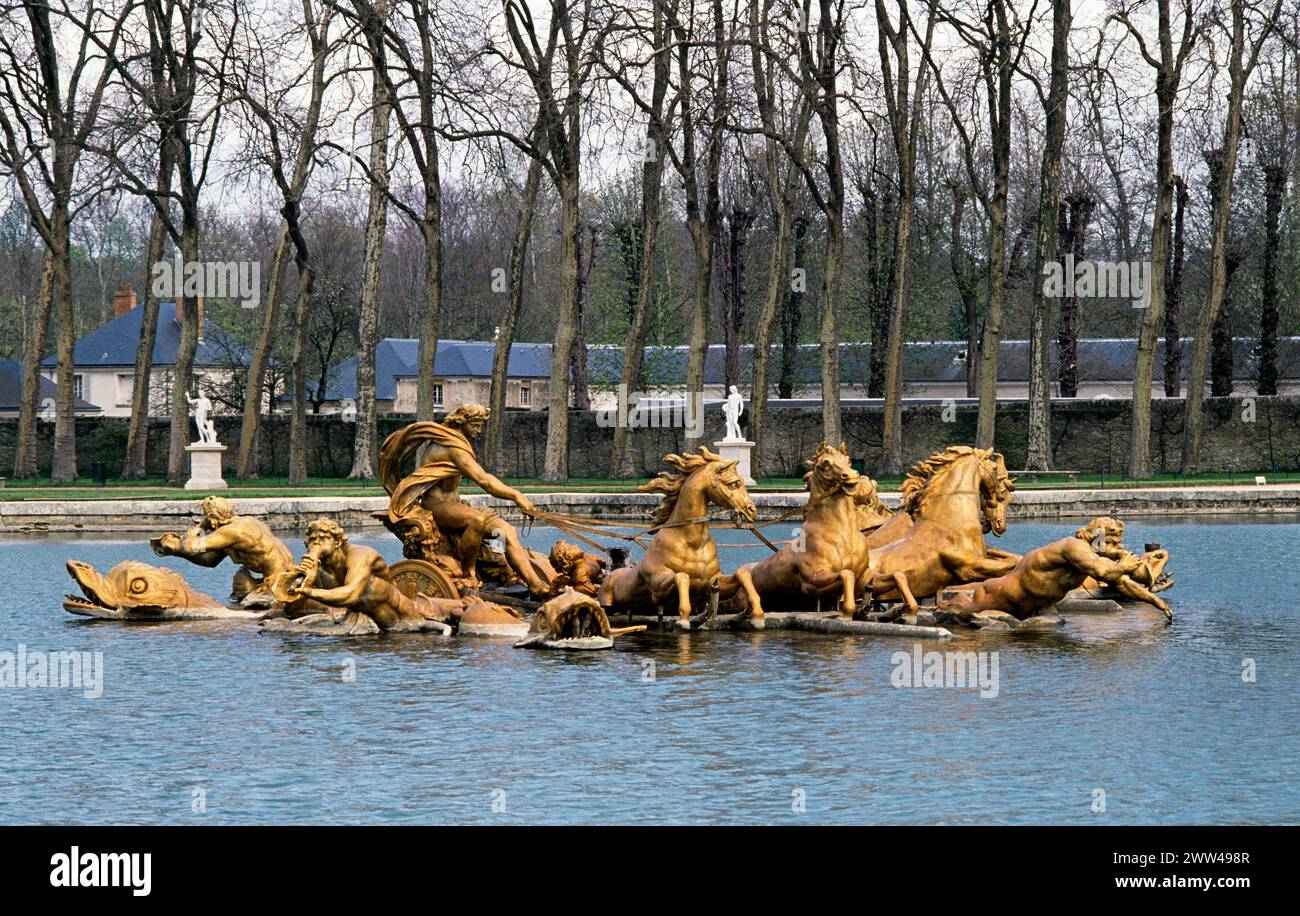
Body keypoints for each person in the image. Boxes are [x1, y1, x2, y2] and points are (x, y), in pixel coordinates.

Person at [381, 404, 552, 596]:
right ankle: (468, 572)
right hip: (436, 506)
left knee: (507, 532)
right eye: (476, 425)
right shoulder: (451, 446)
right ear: (462, 422)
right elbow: (484, 480)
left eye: (480, 426)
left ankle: (535, 584)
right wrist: (516, 495)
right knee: (476, 520)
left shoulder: (458, 441)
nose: (478, 431)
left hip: (455, 505)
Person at [151, 495, 296, 604]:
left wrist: (192, 533)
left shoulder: (230, 532)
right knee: (241, 579)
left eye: (205, 515)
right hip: (291, 573)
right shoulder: (250, 521)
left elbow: (189, 547)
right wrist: (177, 552)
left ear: (212, 516)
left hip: (276, 583)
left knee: (241, 581)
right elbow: (210, 561)